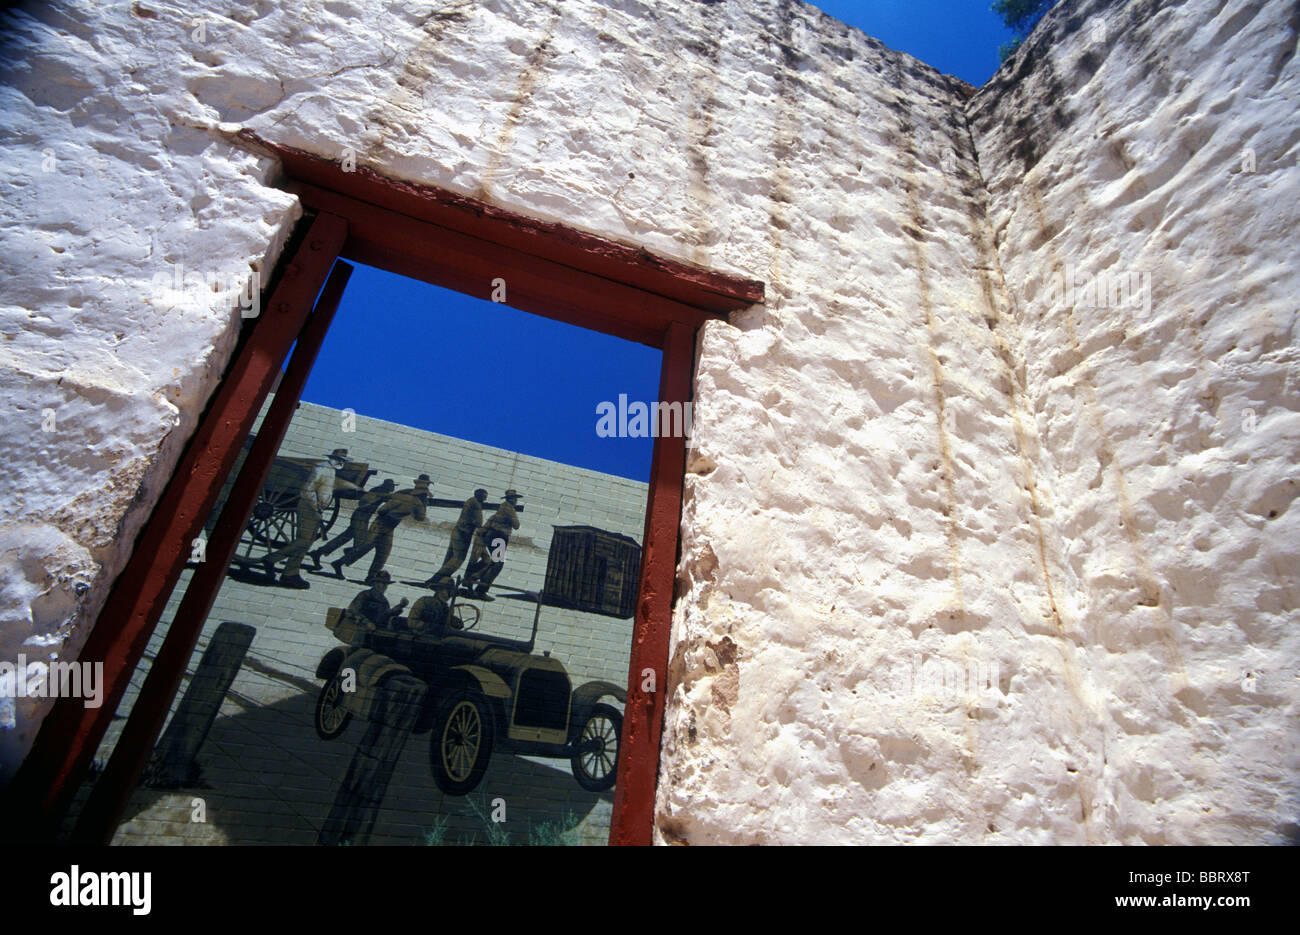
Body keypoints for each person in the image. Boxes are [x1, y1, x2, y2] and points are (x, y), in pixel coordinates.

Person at [262, 448, 354, 589]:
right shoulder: (321, 469)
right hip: (308, 507)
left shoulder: (331, 470)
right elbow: (307, 490)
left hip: (316, 508)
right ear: (332, 458)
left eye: (343, 461)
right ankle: (271, 559)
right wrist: (315, 507)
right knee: (304, 539)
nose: (341, 463)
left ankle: (290, 574)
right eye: (339, 460)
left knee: (308, 541)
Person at [332, 474, 430, 584]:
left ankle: (370, 576)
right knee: (366, 547)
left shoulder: (403, 493)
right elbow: (420, 517)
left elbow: (384, 508)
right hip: (381, 525)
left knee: (382, 552)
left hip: (387, 526)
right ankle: (340, 563)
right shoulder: (416, 501)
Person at [310, 478, 394, 570]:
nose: (392, 488)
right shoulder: (379, 493)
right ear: (387, 487)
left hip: (362, 517)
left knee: (345, 537)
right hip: (361, 517)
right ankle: (340, 561)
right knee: (361, 543)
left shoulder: (379, 492)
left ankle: (319, 552)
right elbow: (370, 501)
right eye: (391, 486)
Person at [462, 489, 522, 599]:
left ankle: (475, 578)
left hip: (494, 536)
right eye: (515, 499)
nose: (516, 501)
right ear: (512, 499)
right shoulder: (509, 508)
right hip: (499, 536)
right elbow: (516, 525)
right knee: (498, 564)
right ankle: (479, 586)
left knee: (494, 562)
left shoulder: (502, 508)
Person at [423, 488, 487, 587]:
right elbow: (479, 522)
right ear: (479, 495)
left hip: (458, 531)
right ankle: (435, 579)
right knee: (458, 559)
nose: (485, 498)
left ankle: (439, 580)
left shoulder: (471, 501)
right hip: (463, 534)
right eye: (484, 496)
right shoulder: (476, 504)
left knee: (450, 558)